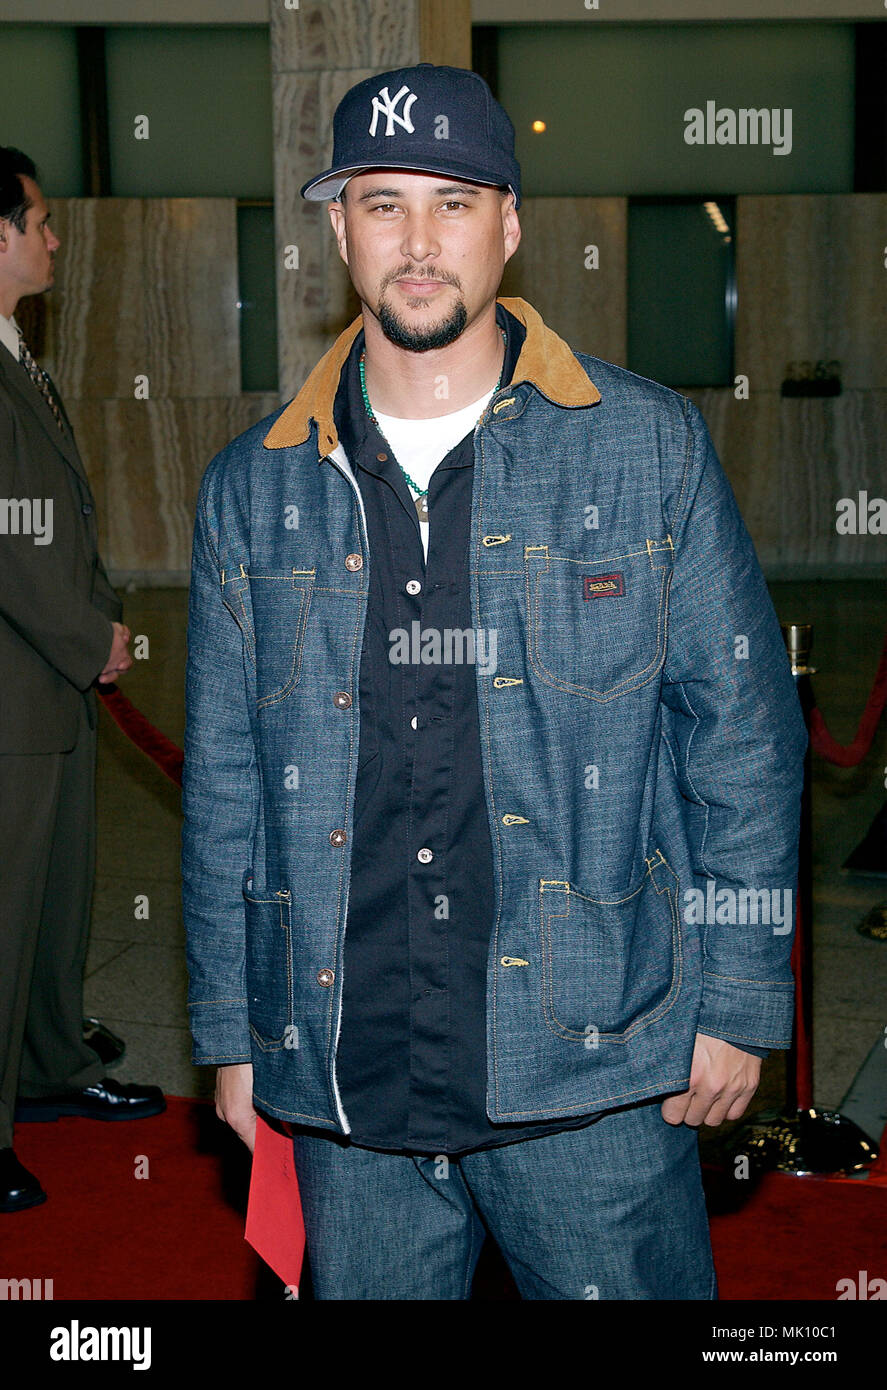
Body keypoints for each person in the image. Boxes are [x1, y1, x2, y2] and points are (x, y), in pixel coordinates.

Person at [182, 65, 807, 1299]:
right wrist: (232, 1029)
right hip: (349, 1074)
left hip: (591, 1070)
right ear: (337, 231)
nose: (418, 242)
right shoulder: (253, 486)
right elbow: (224, 782)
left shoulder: (644, 445)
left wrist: (736, 996)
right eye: (382, 203)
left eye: (453, 203)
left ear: (509, 226)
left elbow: (739, 735)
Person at [0, 148, 164, 1215]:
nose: (55, 238)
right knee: (5, 914)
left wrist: (93, 618)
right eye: (42, 221)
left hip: (44, 679)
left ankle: (49, 1066)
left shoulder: (16, 351)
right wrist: (85, 633)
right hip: (16, 682)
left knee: (54, 903)